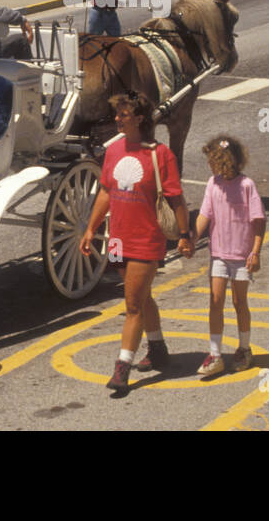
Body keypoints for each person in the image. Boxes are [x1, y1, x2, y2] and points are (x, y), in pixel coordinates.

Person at [80, 92, 192, 392]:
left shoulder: (160, 154)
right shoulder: (115, 151)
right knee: (141, 296)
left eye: (124, 114)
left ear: (140, 119)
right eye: (117, 113)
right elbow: (105, 191)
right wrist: (91, 229)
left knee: (132, 305)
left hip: (146, 240)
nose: (117, 118)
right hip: (117, 239)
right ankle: (157, 349)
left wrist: (184, 235)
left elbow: (175, 197)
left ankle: (122, 367)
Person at [193, 136, 265, 376]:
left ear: (226, 161)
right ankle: (215, 355)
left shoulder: (247, 186)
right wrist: (192, 238)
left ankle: (244, 348)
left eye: (213, 161)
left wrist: (255, 252)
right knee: (215, 302)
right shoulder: (213, 184)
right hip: (219, 255)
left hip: (241, 255)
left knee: (238, 302)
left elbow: (259, 221)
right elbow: (205, 214)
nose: (211, 167)